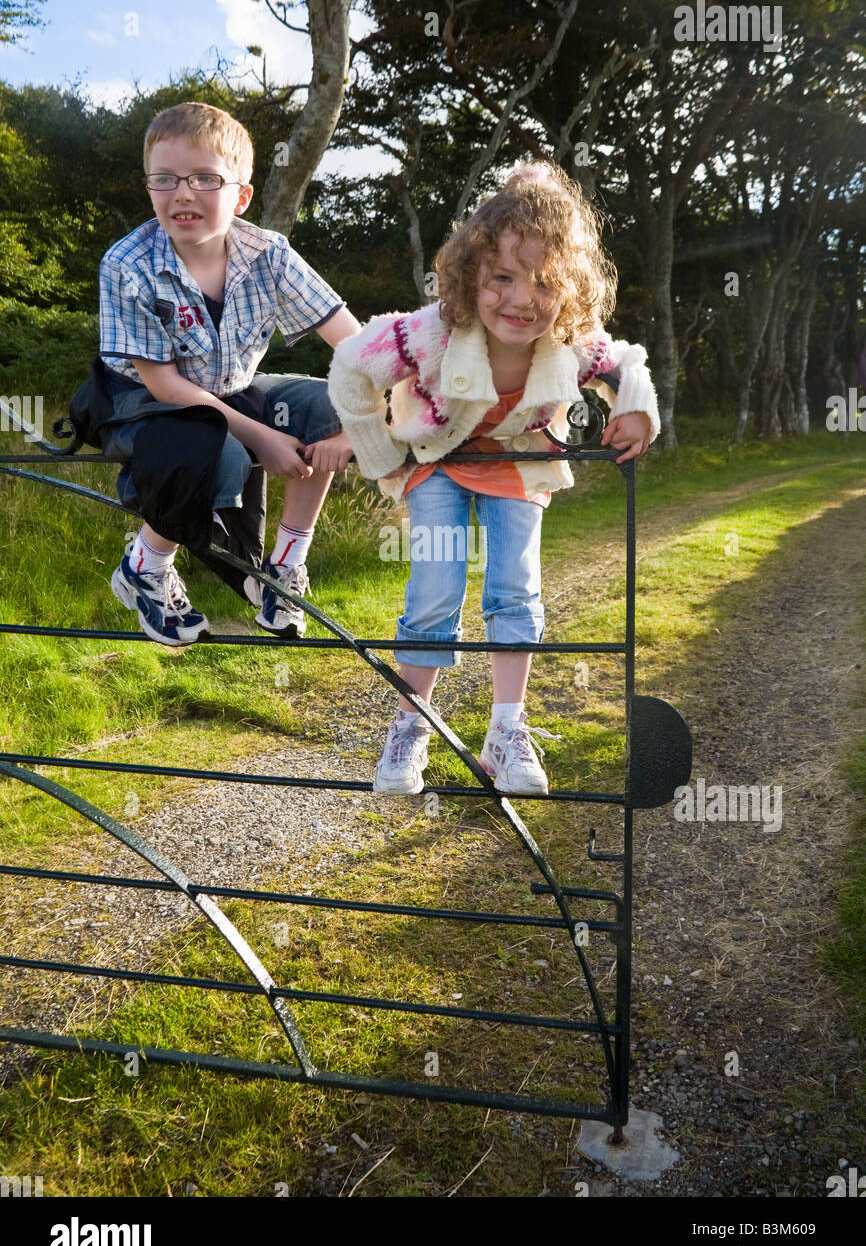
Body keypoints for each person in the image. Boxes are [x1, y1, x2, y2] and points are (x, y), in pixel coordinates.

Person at [328, 162, 660, 797]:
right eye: (502, 277)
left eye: (544, 282)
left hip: (516, 461)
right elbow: (349, 365)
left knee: (515, 586)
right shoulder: (427, 333)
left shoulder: (568, 343)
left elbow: (625, 361)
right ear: (468, 274)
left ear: (572, 290)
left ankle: (506, 732)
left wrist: (636, 407)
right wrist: (381, 457)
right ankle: (412, 725)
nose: (520, 299)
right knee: (434, 583)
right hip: (439, 462)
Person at [97, 101, 357, 646]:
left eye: (205, 178)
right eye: (164, 179)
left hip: (233, 389)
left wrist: (357, 424)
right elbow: (165, 384)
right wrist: (266, 439)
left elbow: (357, 347)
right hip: (146, 401)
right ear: (149, 188)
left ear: (240, 195)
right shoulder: (128, 263)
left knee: (332, 403)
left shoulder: (270, 255)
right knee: (220, 449)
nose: (183, 193)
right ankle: (145, 564)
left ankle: (284, 570)